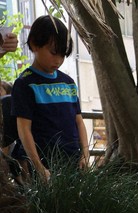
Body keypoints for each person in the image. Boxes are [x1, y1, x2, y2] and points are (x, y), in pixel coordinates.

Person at [10, 16, 89, 181]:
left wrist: (85, 154)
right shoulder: (25, 83)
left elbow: (79, 122)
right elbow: (24, 129)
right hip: (42, 167)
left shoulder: (68, 83)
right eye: (53, 52)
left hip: (73, 163)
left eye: (63, 54)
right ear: (34, 44)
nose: (58, 60)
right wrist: (39, 167)